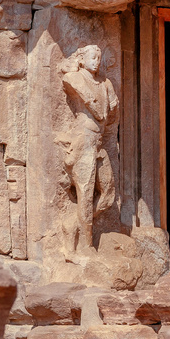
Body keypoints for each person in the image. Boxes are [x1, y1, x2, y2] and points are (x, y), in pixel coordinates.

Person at [60, 45, 118, 251]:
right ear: (82, 59)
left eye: (99, 57)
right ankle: (86, 246)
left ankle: (72, 225)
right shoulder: (75, 79)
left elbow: (111, 108)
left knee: (108, 193)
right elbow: (99, 110)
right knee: (85, 191)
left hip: (98, 142)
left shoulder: (105, 83)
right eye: (93, 57)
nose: (97, 61)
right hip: (83, 140)